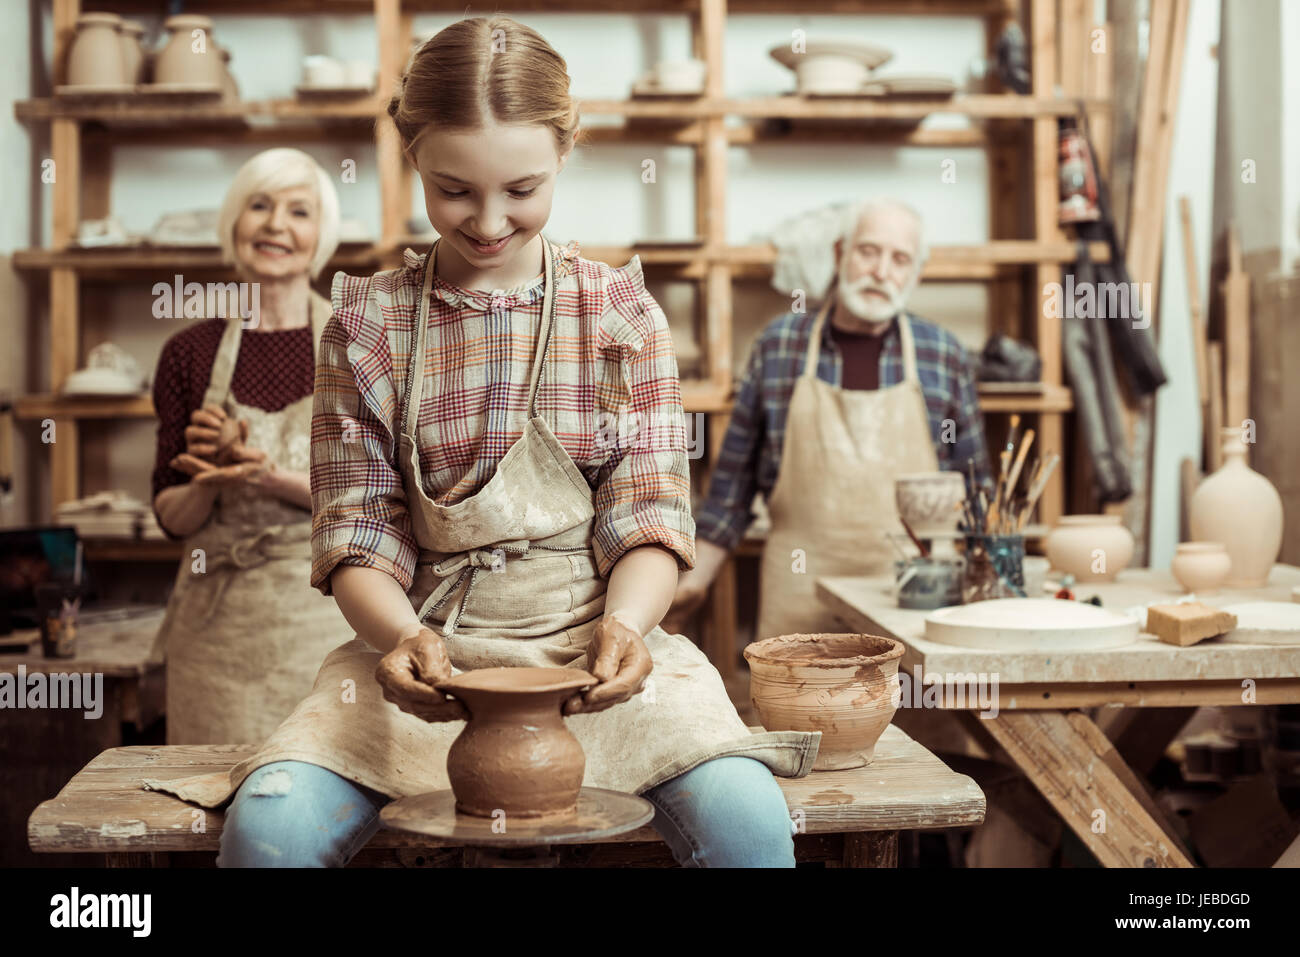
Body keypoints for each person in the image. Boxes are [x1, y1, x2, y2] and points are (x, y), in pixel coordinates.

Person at [146, 16, 818, 868]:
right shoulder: (368, 324)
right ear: (411, 156)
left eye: (522, 188)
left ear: (565, 152)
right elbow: (358, 531)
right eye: (454, 188)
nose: (490, 220)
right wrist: (397, 640)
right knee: (267, 827)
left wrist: (631, 625)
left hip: (596, 649)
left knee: (749, 820)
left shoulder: (619, 315)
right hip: (424, 651)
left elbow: (648, 513)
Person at [666, 199, 993, 640]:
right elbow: (731, 491)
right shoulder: (780, 346)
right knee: (797, 704)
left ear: (915, 273)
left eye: (899, 260)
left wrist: (990, 605)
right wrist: (694, 583)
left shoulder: (943, 355)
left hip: (913, 601)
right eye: (868, 252)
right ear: (840, 254)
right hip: (799, 592)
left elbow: (977, 495)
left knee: (908, 709)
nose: (881, 272)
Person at [150, 148, 355, 744]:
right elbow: (169, 514)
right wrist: (207, 480)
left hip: (326, 615)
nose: (275, 225)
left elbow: (383, 500)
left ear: (321, 234)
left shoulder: (353, 341)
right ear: (234, 222)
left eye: (299, 211)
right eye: (259, 206)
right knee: (206, 801)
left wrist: (269, 479)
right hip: (216, 629)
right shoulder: (187, 352)